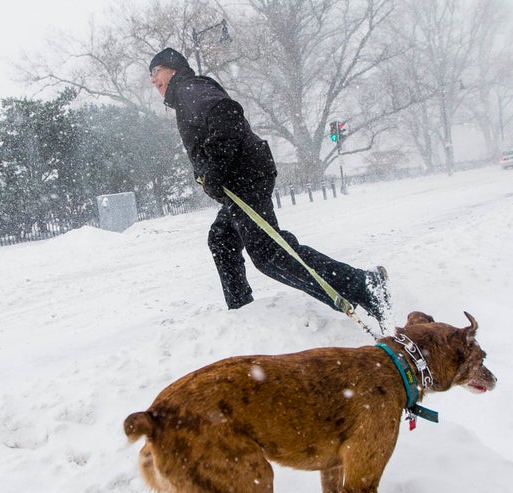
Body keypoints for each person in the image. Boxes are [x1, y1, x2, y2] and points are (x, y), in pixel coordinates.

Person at [148, 47, 390, 323]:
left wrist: (215, 168)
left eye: (156, 71)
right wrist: (204, 171)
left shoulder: (189, 88)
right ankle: (243, 313)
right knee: (221, 239)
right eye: (150, 76)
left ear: (174, 68)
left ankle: (367, 286)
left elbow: (227, 114)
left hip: (244, 176)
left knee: (269, 254)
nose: (153, 80)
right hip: (242, 177)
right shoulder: (186, 95)